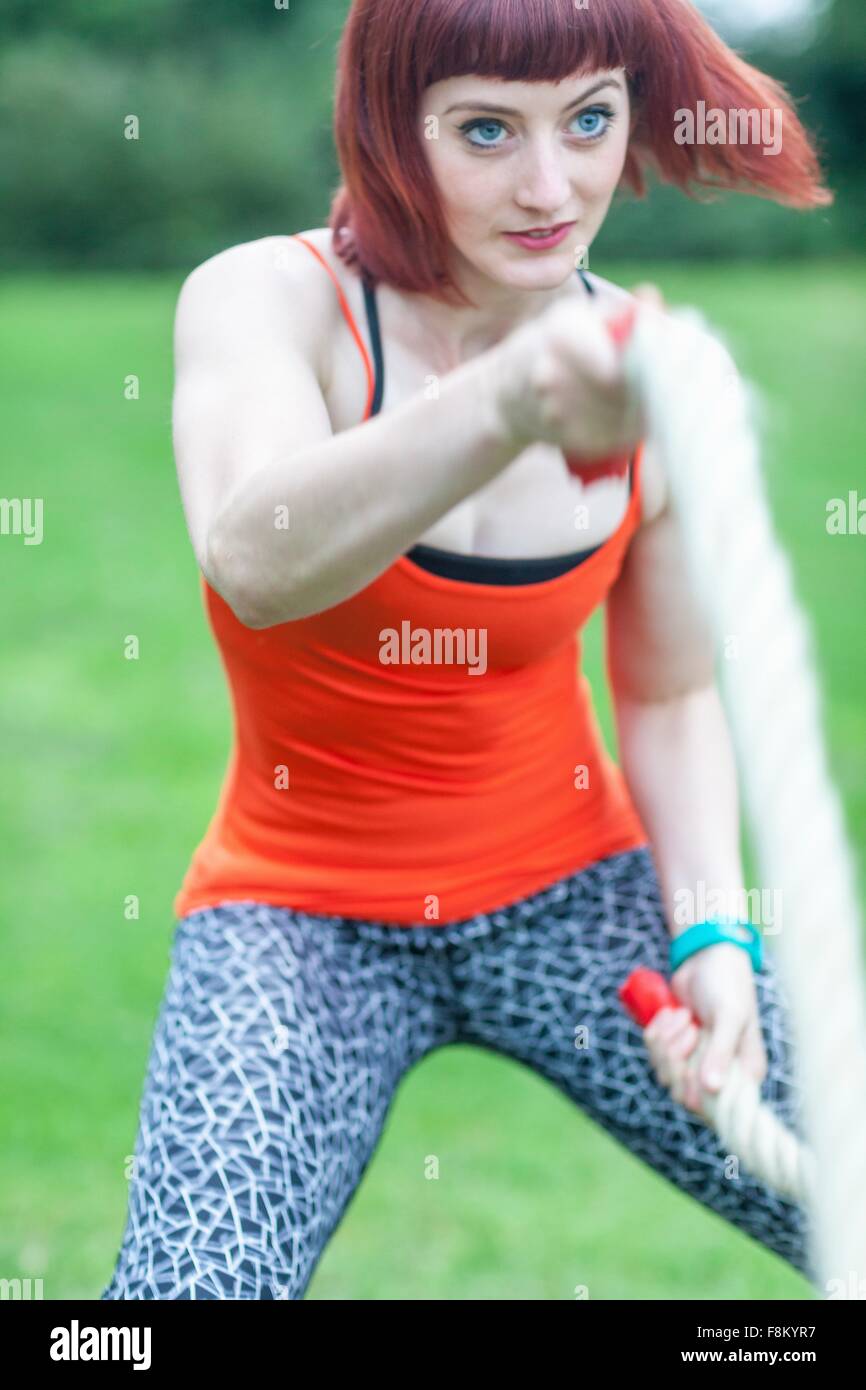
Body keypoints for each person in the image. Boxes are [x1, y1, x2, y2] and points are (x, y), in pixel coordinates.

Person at [101, 0, 832, 1299]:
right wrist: (497, 402)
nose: (550, 187)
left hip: (572, 889)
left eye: (589, 120)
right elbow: (255, 558)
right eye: (485, 129)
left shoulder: (646, 377)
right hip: (298, 912)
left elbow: (667, 695)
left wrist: (716, 933)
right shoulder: (273, 301)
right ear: (393, 130)